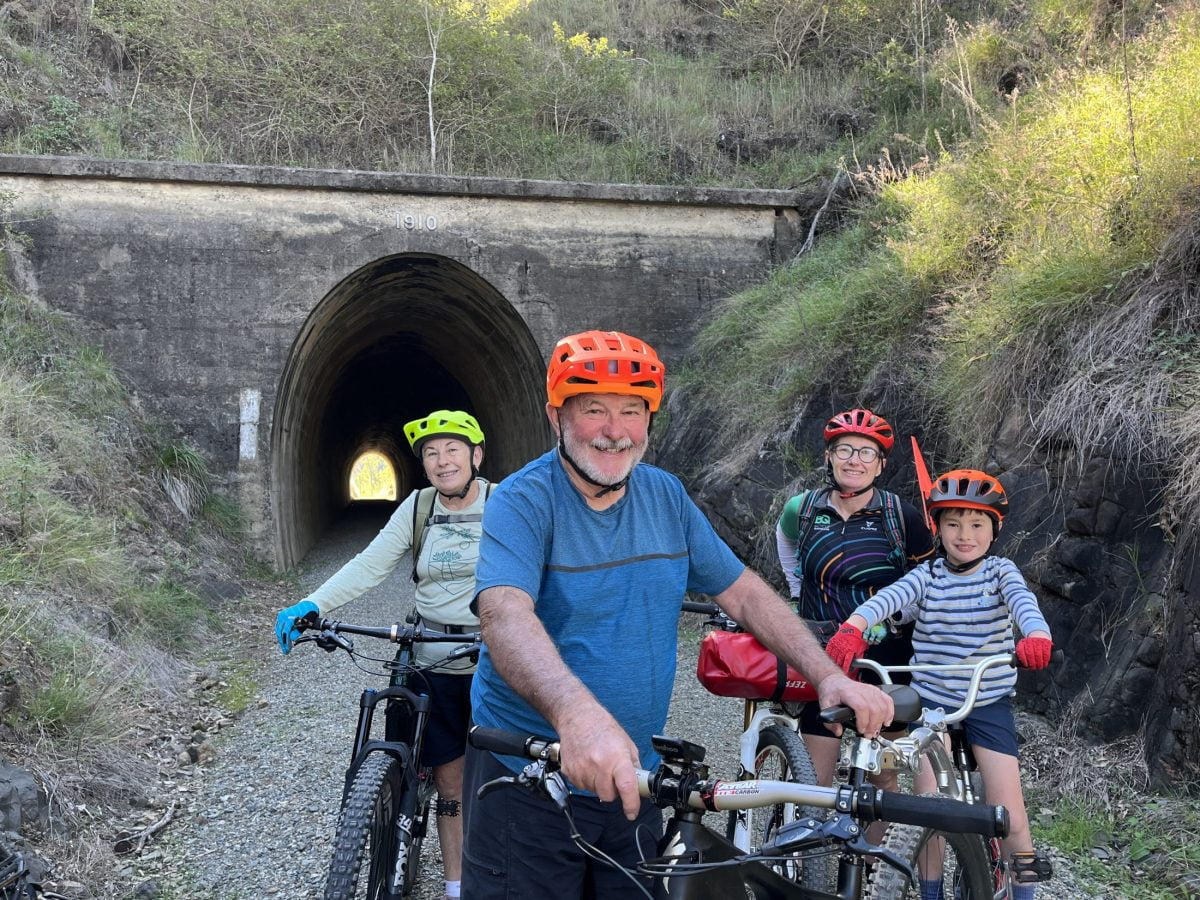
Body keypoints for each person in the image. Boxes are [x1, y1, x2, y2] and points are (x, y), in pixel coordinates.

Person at [461, 330, 896, 899]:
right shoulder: (523, 500)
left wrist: (828, 675)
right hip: (527, 779)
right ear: (555, 416)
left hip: (631, 779)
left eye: (632, 411)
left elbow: (744, 593)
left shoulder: (665, 496)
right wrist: (577, 717)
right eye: (594, 409)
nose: (615, 432)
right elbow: (504, 614)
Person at [274, 409, 491, 900]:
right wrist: (313, 603)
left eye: (453, 449)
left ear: (476, 455)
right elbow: (370, 564)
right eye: (431, 453)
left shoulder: (507, 504)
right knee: (450, 784)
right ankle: (455, 885)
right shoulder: (418, 508)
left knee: (501, 780)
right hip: (430, 653)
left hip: (491, 657)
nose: (442, 460)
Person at [825, 468, 1054, 900]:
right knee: (928, 804)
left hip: (985, 698)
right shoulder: (927, 575)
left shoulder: (1000, 573)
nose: (963, 534)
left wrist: (1036, 636)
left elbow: (1025, 604)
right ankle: (930, 891)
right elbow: (889, 598)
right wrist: (855, 626)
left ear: (994, 530)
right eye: (952, 524)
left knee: (1009, 810)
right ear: (938, 528)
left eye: (975, 524)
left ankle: (1025, 889)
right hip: (932, 702)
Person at [775, 408, 934, 787]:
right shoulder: (804, 509)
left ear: (880, 465)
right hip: (824, 654)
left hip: (887, 657)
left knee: (884, 780)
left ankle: (868, 849)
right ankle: (811, 845)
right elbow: (785, 540)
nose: (854, 460)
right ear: (829, 457)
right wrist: (798, 593)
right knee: (814, 781)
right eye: (845, 450)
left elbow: (926, 581)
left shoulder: (901, 515)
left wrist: (887, 622)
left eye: (866, 453)